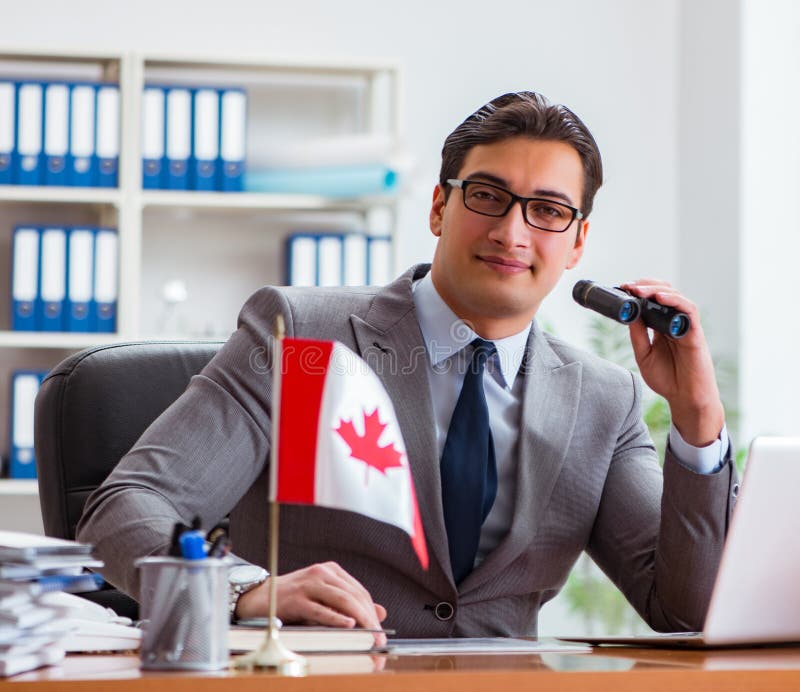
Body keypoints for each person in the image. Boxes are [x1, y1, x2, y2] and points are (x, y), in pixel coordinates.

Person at [77, 91, 737, 639]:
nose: (513, 232)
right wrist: (246, 590)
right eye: (487, 196)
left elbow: (685, 610)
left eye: (548, 211)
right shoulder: (305, 337)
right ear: (438, 207)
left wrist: (698, 418)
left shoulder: (604, 399)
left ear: (577, 242)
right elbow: (126, 507)